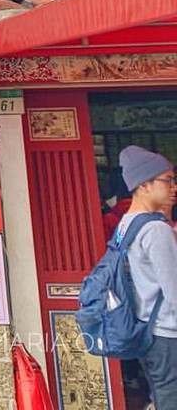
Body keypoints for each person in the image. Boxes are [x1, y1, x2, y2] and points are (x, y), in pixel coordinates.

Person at [116, 145, 177, 410]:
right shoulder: (155, 229)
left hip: (146, 328)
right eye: (167, 180)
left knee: (162, 394)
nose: (173, 187)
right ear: (144, 185)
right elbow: (174, 289)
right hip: (168, 332)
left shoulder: (126, 224)